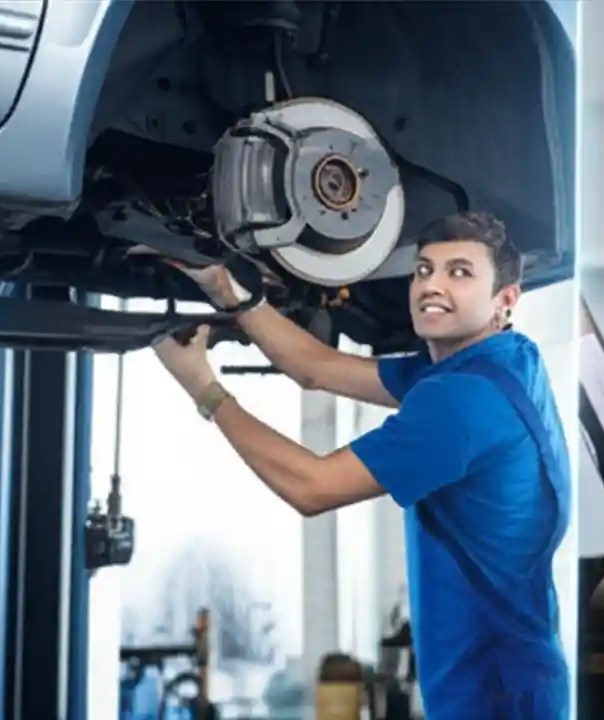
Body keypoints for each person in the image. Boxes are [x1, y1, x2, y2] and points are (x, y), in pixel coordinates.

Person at [151, 211, 572, 719]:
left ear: (506, 299)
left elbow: (312, 486)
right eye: (423, 270)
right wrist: (230, 292)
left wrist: (205, 388)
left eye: (460, 272)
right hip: (512, 674)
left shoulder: (462, 403)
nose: (432, 286)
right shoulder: (501, 359)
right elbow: (318, 369)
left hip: (492, 693)